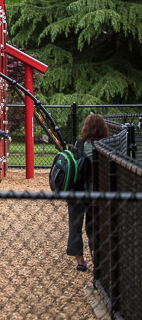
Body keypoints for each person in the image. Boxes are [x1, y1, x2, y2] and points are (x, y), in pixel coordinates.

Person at [68, 113, 109, 272]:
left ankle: (80, 261)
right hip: (95, 193)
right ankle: (96, 259)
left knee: (75, 226)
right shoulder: (104, 147)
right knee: (94, 227)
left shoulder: (79, 144)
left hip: (77, 192)